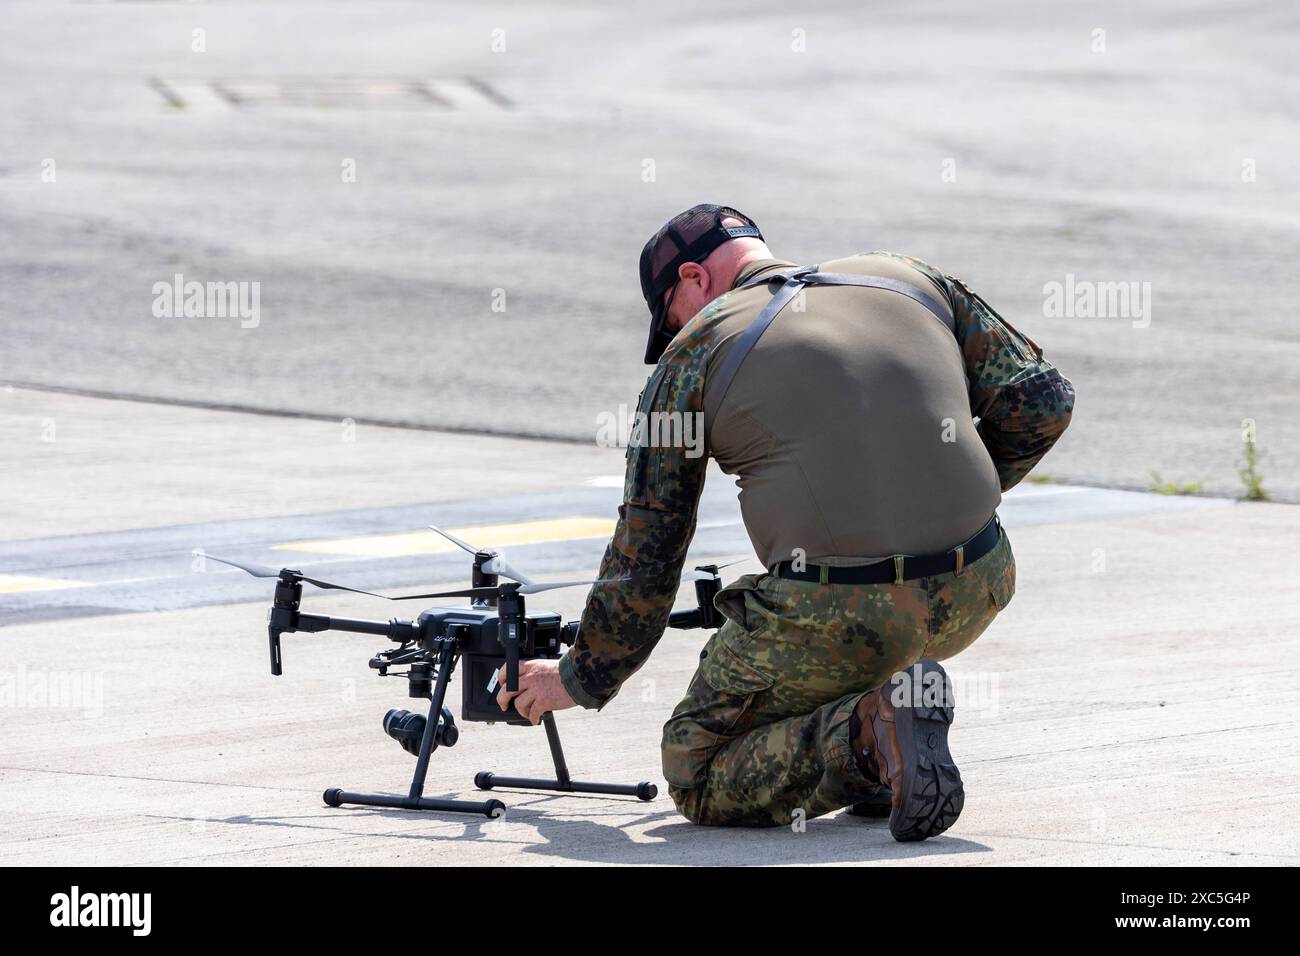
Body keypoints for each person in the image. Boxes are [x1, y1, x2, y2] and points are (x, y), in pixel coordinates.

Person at [496, 204, 1074, 841]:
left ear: (693, 277)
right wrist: (944, 494)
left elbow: (649, 551)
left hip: (841, 613)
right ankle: (884, 739)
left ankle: (872, 734)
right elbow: (1043, 402)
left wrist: (580, 676)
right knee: (841, 646)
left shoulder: (693, 355)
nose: (675, 331)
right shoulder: (905, 276)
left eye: (669, 316)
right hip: (978, 584)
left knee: (696, 767)